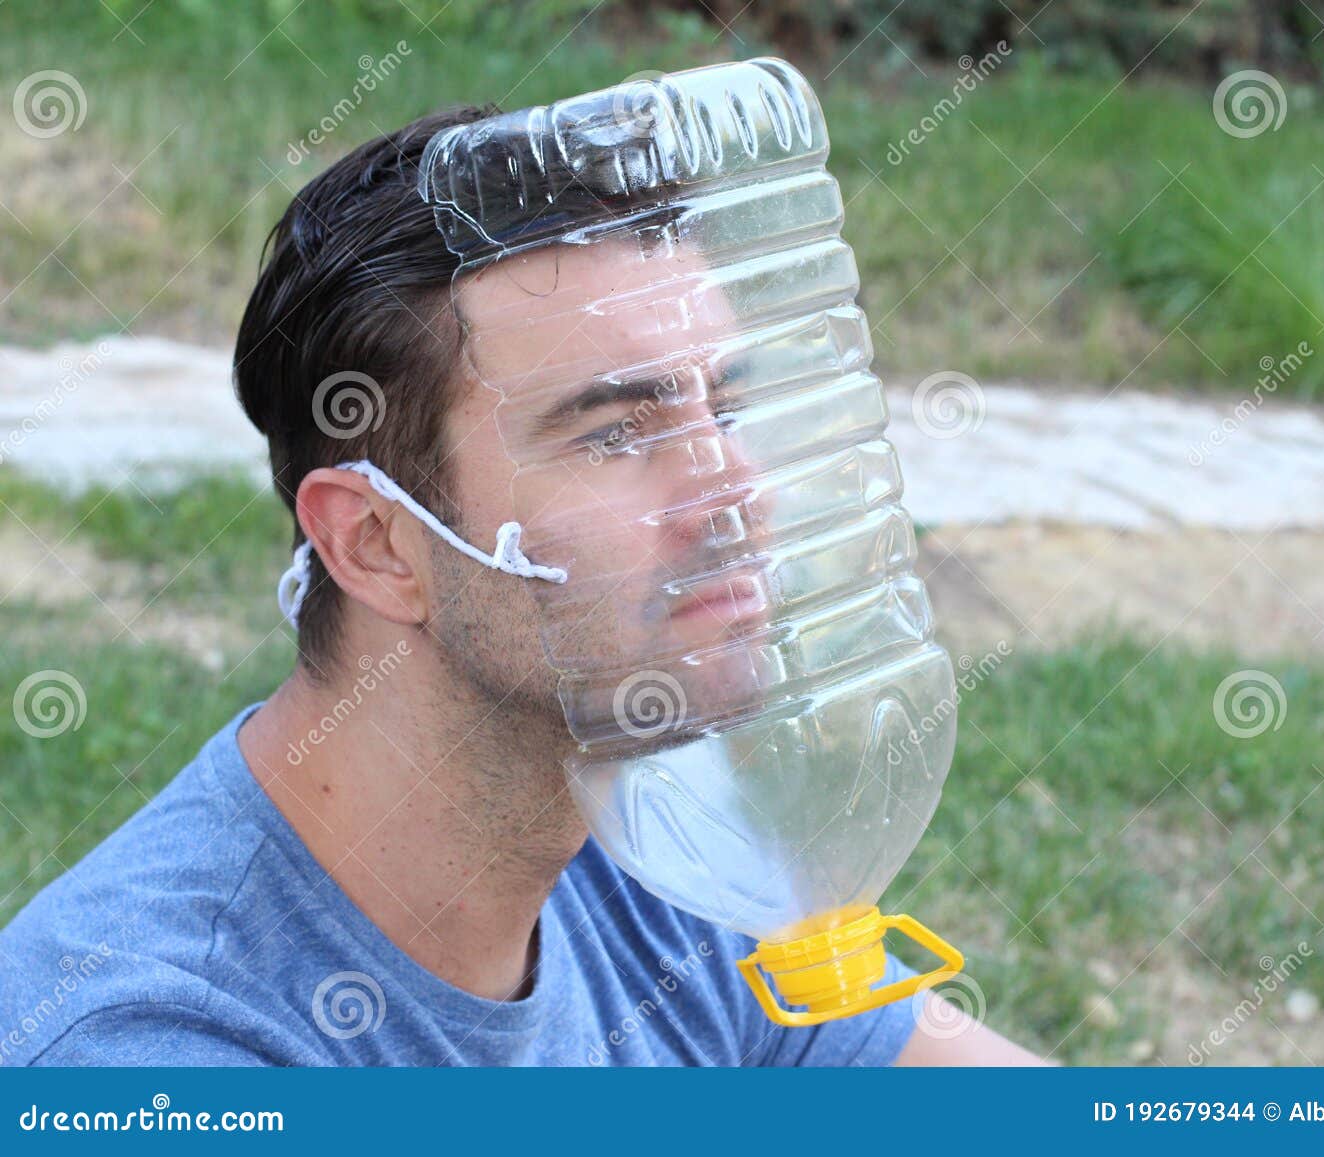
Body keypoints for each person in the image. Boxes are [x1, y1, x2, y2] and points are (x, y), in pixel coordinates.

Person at [0, 106, 1041, 1067]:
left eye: (720, 407)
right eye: (617, 431)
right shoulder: (157, 1045)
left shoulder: (674, 859)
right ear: (374, 544)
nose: (736, 493)